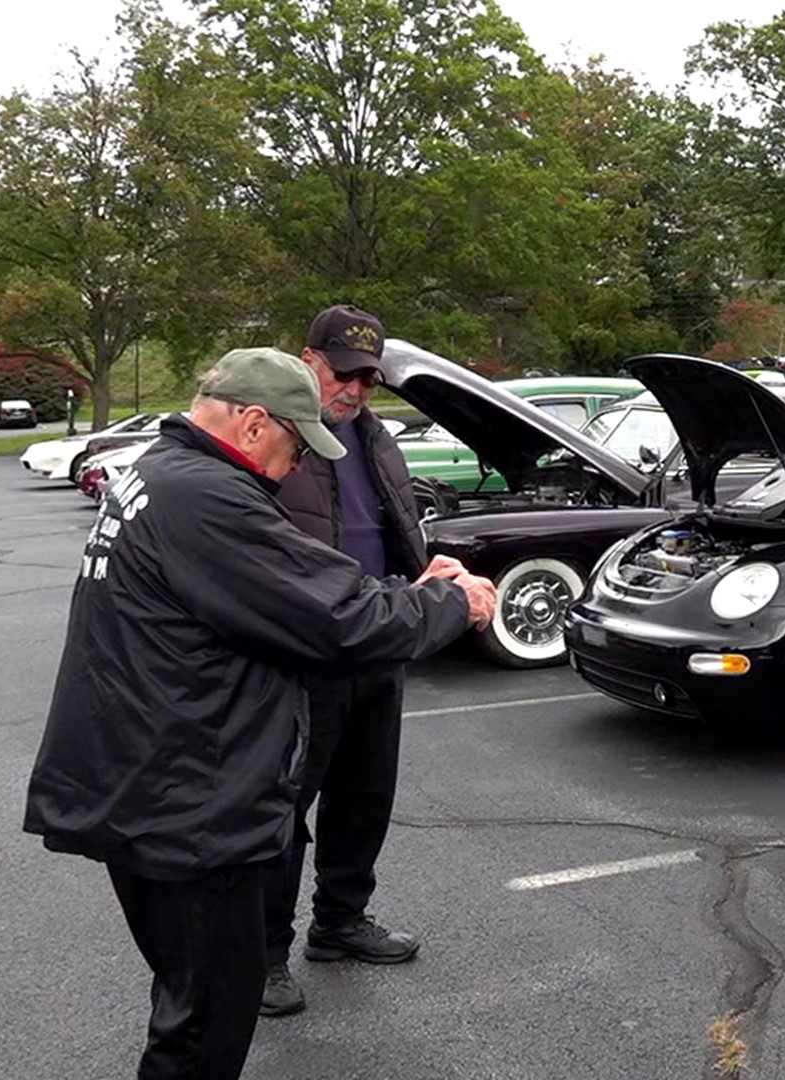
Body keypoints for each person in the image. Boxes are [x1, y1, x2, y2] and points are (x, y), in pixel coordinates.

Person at [24, 347, 496, 1080]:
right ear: (251, 423)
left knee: (193, 993)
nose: (297, 465)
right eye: (294, 444)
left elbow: (292, 597)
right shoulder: (209, 496)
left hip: (146, 782)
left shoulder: (155, 472)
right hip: (185, 804)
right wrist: (450, 601)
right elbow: (338, 621)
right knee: (207, 1018)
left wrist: (409, 588)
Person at [257, 306, 451, 1017]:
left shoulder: (377, 438)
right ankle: (264, 955)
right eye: (344, 373)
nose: (356, 389)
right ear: (307, 360)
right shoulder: (278, 440)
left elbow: (399, 528)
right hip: (304, 654)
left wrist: (428, 581)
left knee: (365, 795)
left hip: (376, 639)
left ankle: (339, 922)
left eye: (370, 378)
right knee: (284, 808)